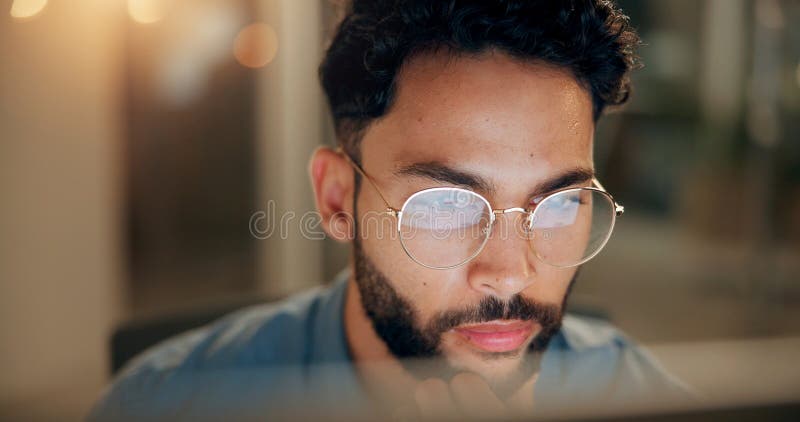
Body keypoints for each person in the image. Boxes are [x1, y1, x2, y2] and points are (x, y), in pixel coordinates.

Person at [90, 1, 692, 420]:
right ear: (335, 198)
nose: (511, 273)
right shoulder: (166, 405)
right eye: (447, 205)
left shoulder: (643, 397)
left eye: (561, 202)